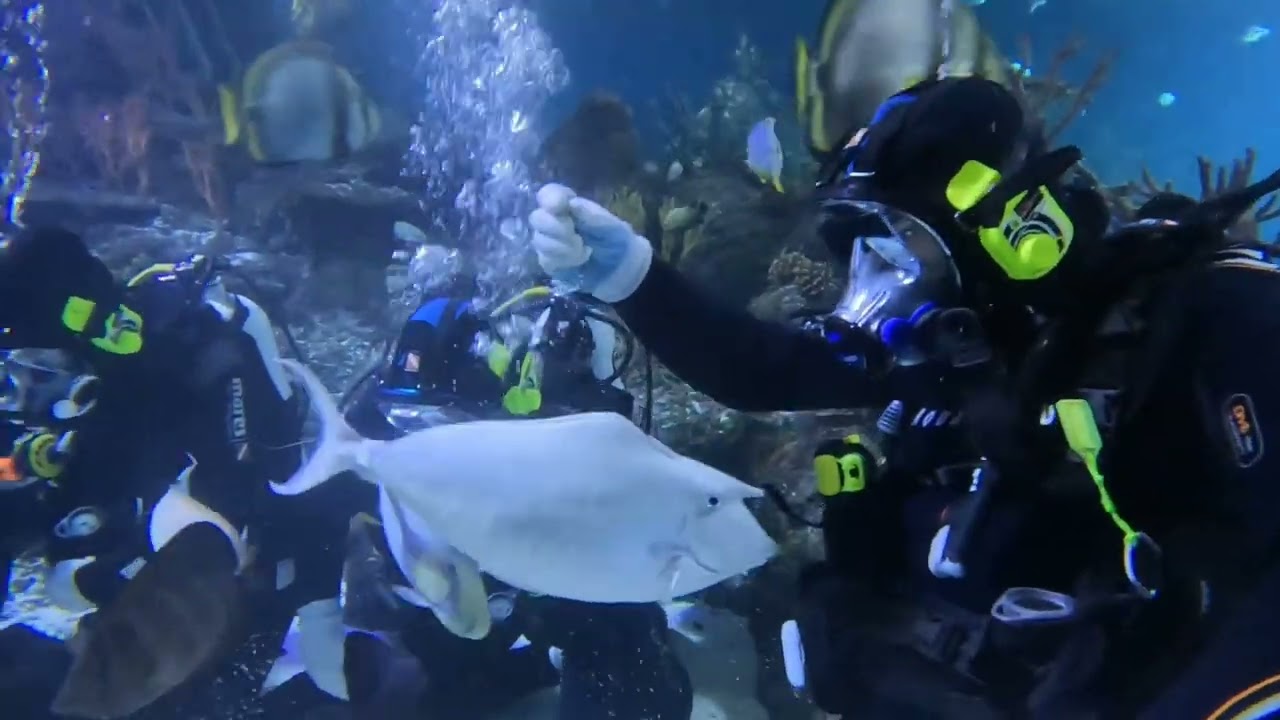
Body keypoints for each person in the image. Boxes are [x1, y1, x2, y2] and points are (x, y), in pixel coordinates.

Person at [528, 74, 1280, 718]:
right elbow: (763, 371)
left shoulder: (1219, 316)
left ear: (1013, 230)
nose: (869, 285)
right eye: (855, 253)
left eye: (887, 246)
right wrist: (632, 277)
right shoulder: (959, 342)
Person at [334, 280, 693, 720]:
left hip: (557, 583)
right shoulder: (373, 421)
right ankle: (514, 671)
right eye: (406, 423)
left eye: (446, 421)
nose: (423, 440)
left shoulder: (553, 419)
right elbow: (321, 511)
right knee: (409, 685)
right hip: (448, 621)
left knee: (628, 658)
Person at [0, 226, 314, 716]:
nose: (29, 389)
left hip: (225, 608)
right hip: (153, 608)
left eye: (41, 362)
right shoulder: (112, 393)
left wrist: (103, 571)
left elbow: (231, 525)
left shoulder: (196, 355)